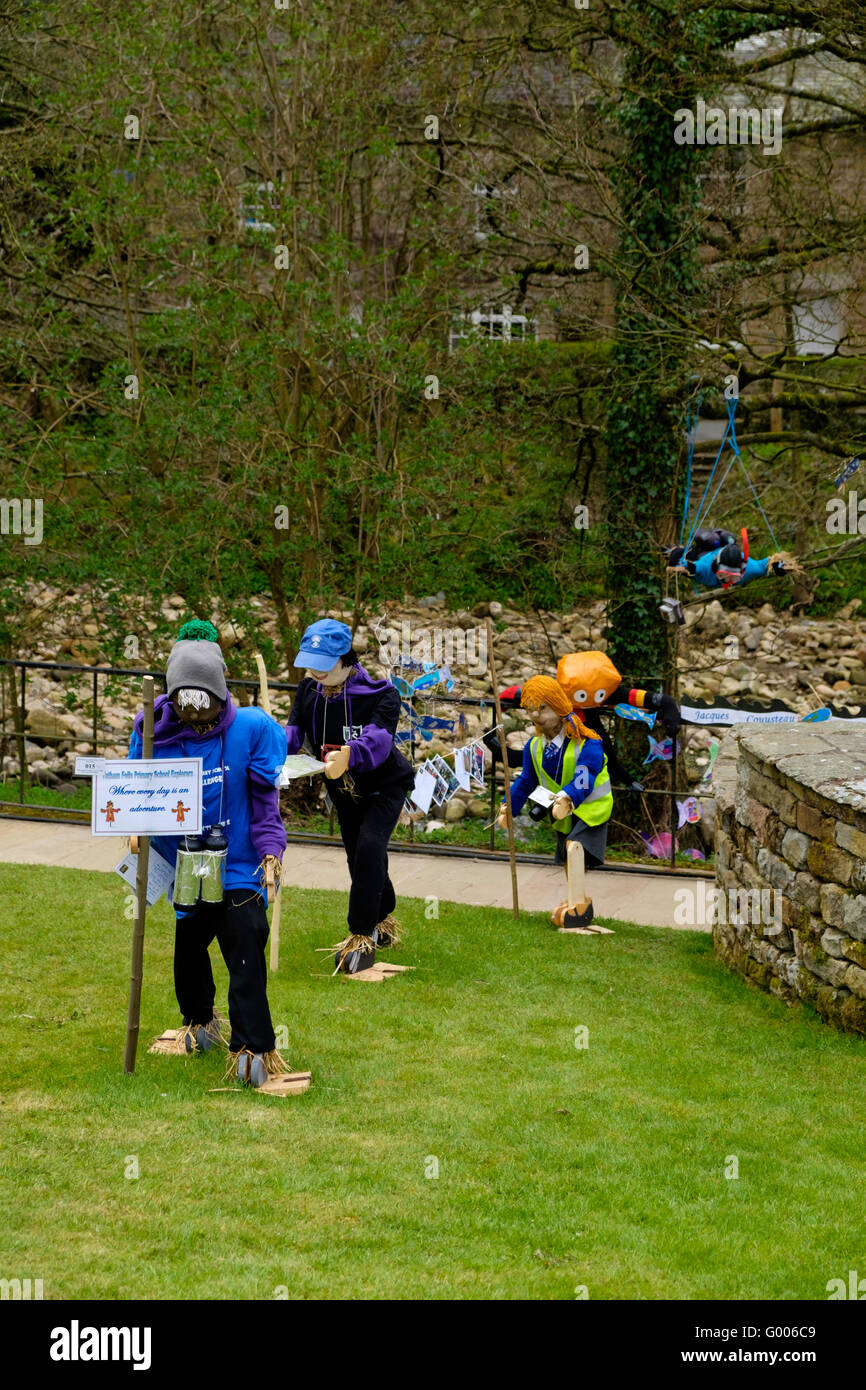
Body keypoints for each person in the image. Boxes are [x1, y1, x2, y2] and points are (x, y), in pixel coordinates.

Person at [129, 619, 289, 1089]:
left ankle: (254, 1046)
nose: (199, 722)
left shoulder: (253, 729)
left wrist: (271, 851)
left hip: (238, 864)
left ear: (222, 694)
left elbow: (265, 803)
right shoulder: (154, 729)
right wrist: (134, 829)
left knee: (246, 942)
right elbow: (138, 790)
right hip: (184, 863)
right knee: (188, 948)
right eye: (188, 713)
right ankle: (198, 1022)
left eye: (207, 712)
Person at [284, 619, 415, 974]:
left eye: (323, 662)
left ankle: (361, 934)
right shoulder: (308, 691)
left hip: (384, 786)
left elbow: (379, 739)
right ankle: (383, 912)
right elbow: (293, 732)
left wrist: (350, 754)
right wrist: (273, 754)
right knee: (359, 857)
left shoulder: (382, 694)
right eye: (310, 661)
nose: (314, 670)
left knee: (371, 848)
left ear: (346, 660)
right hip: (342, 792)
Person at [497, 675, 612, 869]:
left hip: (590, 810)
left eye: (542, 708)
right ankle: (576, 898)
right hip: (562, 813)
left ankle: (577, 899)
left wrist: (568, 796)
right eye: (530, 709)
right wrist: (509, 805)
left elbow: (586, 775)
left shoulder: (586, 742)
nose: (535, 715)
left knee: (574, 850)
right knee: (568, 858)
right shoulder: (534, 747)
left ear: (558, 706)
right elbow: (526, 781)